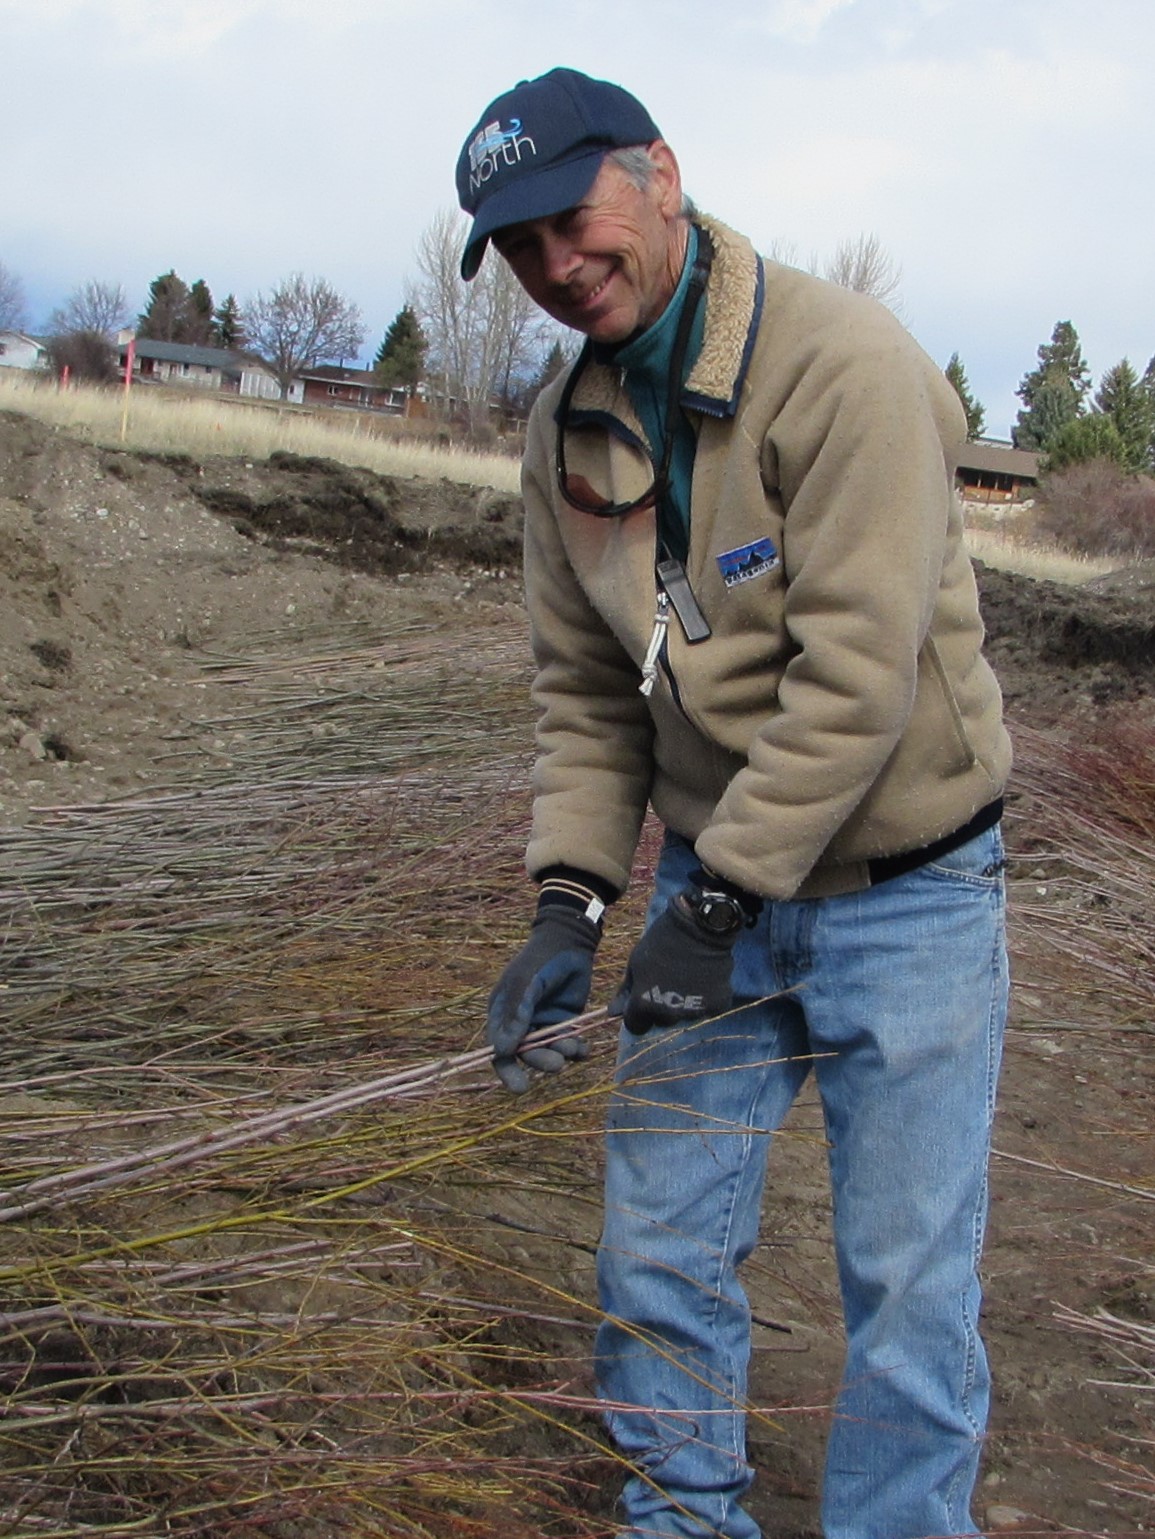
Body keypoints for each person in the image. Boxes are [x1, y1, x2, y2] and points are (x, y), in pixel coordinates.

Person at [458, 66, 1012, 1539]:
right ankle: (683, 1518)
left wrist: (711, 898)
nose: (559, 269)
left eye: (573, 221)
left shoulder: (848, 368)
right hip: (727, 886)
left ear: (662, 175)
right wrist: (568, 904)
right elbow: (587, 691)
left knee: (905, 1283)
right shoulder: (562, 433)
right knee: (658, 1243)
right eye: (520, 250)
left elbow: (858, 680)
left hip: (910, 888)